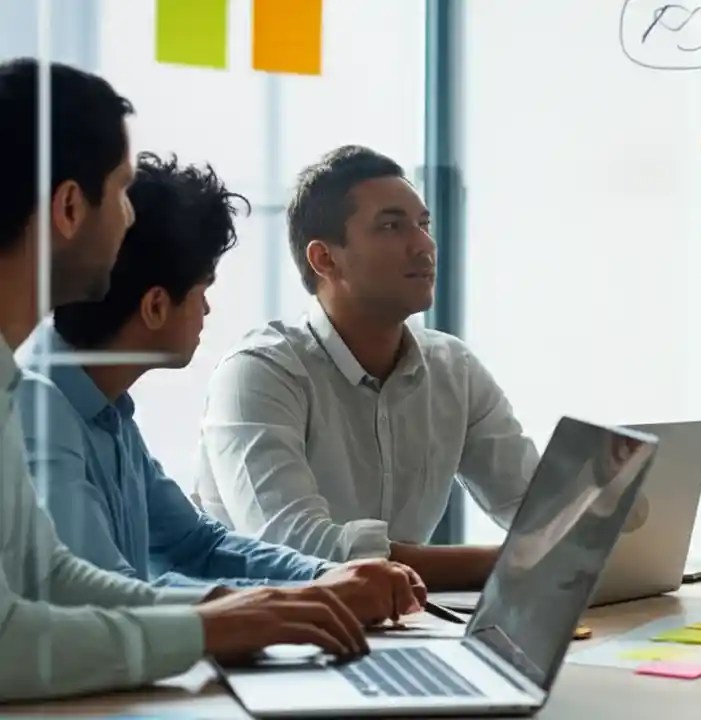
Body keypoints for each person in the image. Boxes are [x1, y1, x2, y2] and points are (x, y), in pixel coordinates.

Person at [0, 58, 373, 702]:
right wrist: (210, 627)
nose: (129, 216)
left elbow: (53, 575)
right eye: (120, 190)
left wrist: (262, 606)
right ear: (67, 207)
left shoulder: (16, 390)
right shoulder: (36, 405)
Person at [16, 152, 425, 625]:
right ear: (154, 307)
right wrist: (302, 602)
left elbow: (196, 544)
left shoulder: (105, 408)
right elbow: (104, 600)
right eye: (203, 289)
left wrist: (328, 576)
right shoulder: (37, 410)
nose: (207, 311)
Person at [194, 145, 538, 590]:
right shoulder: (259, 373)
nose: (425, 246)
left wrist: (613, 525)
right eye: (392, 226)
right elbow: (300, 552)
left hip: (397, 628)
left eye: (423, 225)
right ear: (325, 259)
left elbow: (533, 507)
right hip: (268, 639)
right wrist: (515, 562)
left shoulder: (454, 368)